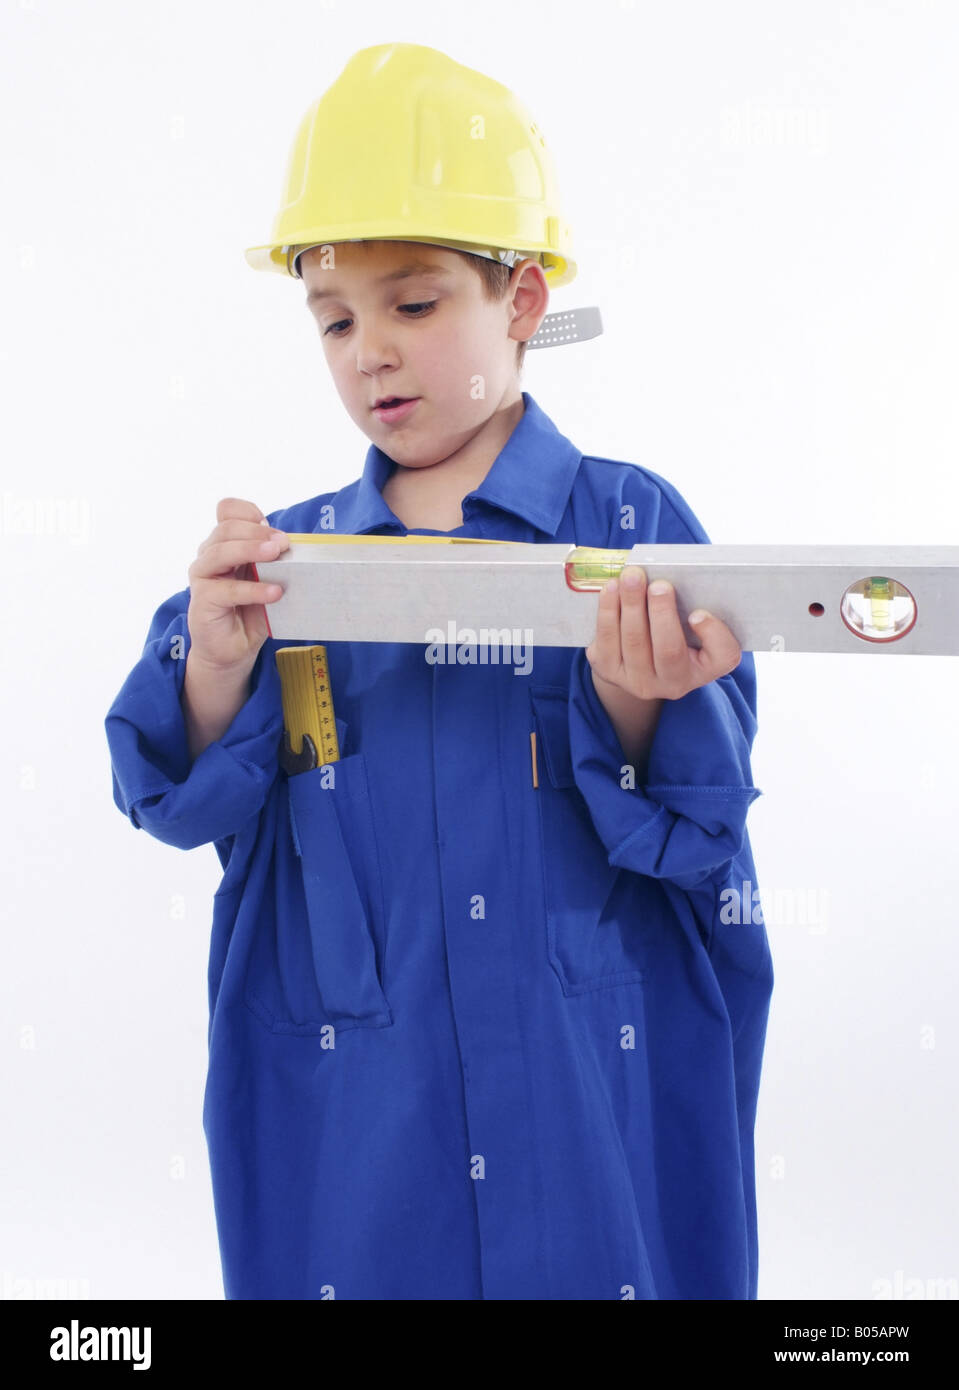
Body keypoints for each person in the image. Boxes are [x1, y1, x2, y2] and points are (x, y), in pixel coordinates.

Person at [105, 42, 774, 1300]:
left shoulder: (627, 528)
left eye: (413, 305)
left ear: (521, 300)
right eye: (335, 319)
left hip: (582, 1088)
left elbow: (699, 832)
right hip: (360, 1108)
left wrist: (636, 691)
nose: (369, 353)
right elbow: (176, 795)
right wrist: (220, 658)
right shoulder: (285, 570)